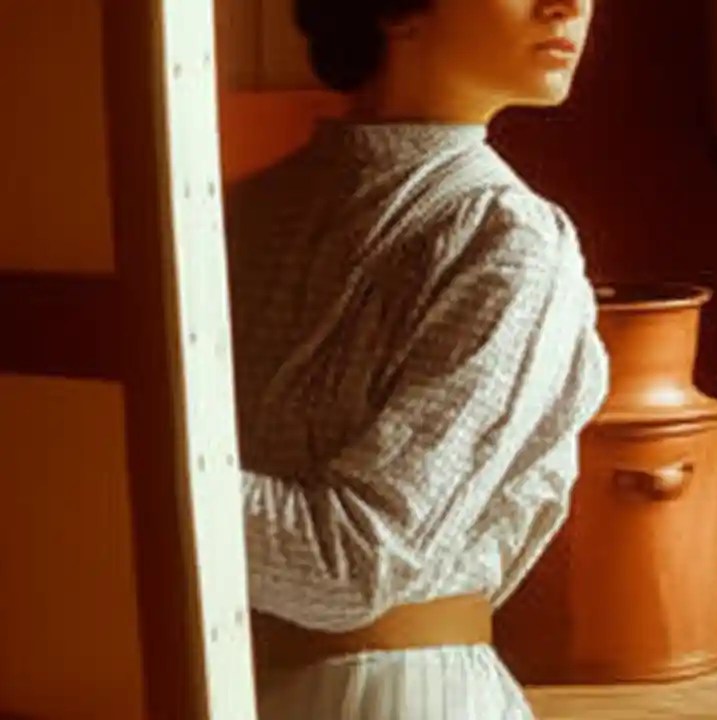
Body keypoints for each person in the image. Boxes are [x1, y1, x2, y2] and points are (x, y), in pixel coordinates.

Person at [221, 1, 606, 718]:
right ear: (398, 10)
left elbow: (354, 562)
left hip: (399, 697)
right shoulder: (241, 213)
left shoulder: (507, 236)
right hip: (222, 682)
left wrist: (123, 476)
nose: (570, 4)